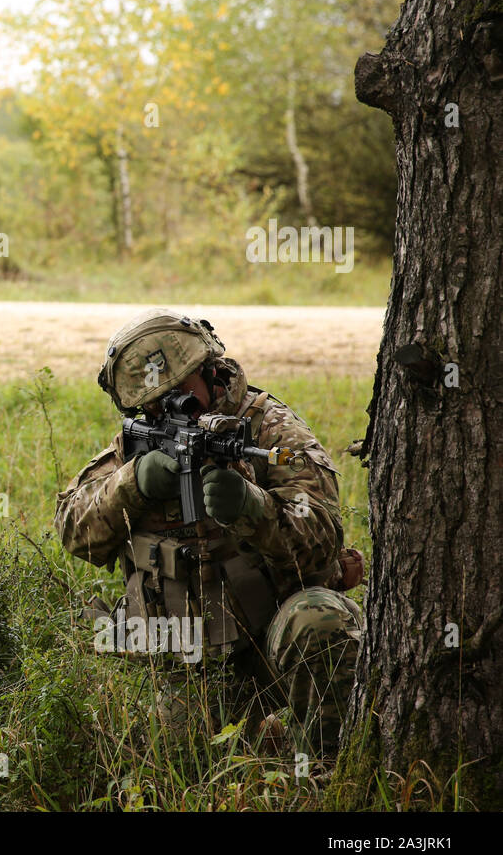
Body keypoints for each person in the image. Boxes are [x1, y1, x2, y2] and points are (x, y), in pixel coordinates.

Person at [54, 308, 363, 757]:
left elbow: (323, 538)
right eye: (156, 403)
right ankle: (266, 738)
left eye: (182, 394)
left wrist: (254, 508)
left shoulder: (268, 429)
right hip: (191, 664)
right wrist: (133, 484)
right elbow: (73, 532)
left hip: (273, 644)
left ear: (210, 372)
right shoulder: (139, 444)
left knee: (319, 621)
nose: (171, 410)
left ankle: (329, 765)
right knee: (174, 766)